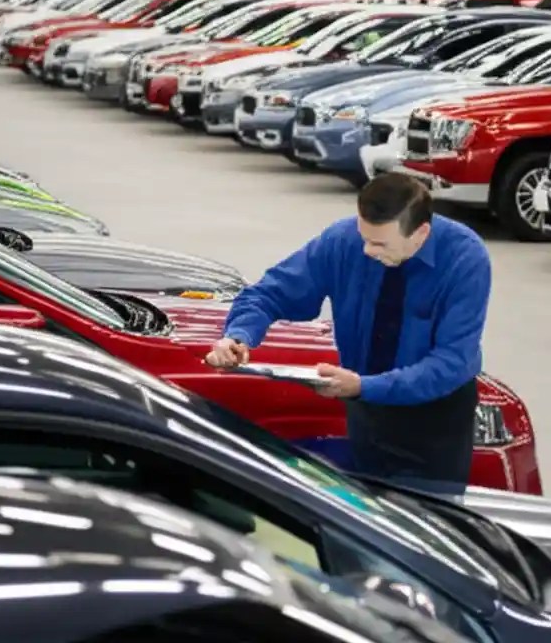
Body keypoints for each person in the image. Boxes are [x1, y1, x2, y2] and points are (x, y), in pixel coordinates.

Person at [205, 173, 491, 498]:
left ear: (420, 233)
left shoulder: (465, 259)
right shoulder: (343, 241)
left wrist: (364, 386)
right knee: (363, 525)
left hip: (434, 424)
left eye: (380, 243)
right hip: (366, 415)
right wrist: (239, 335)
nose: (367, 250)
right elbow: (270, 292)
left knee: (427, 527)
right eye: (364, 237)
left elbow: (451, 363)